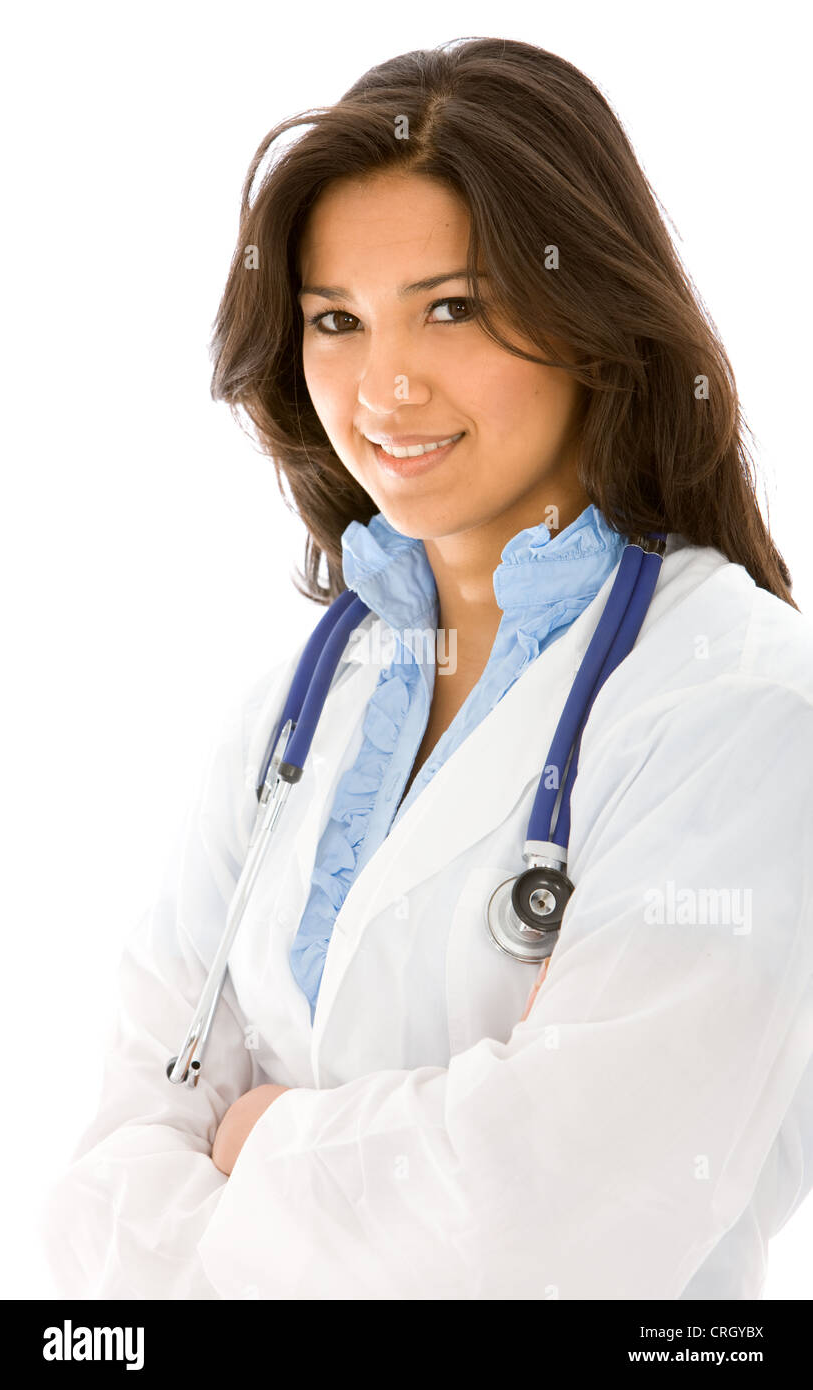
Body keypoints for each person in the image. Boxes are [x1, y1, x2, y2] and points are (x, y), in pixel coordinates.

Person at [40, 36, 813, 1301]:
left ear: (592, 316)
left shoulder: (738, 705)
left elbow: (557, 1218)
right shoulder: (287, 716)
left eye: (450, 307)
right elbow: (98, 1189)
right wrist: (369, 1170)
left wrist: (249, 1143)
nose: (384, 385)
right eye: (335, 321)